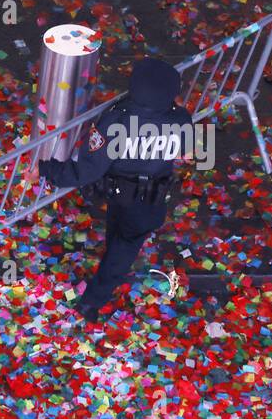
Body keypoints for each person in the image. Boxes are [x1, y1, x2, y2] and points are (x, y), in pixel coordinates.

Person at [37, 57, 194, 324]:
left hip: (118, 194)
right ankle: (103, 281)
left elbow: (86, 170)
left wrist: (45, 169)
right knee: (125, 243)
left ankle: (94, 299)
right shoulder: (180, 119)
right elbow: (188, 154)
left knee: (120, 244)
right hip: (150, 200)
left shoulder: (115, 121)